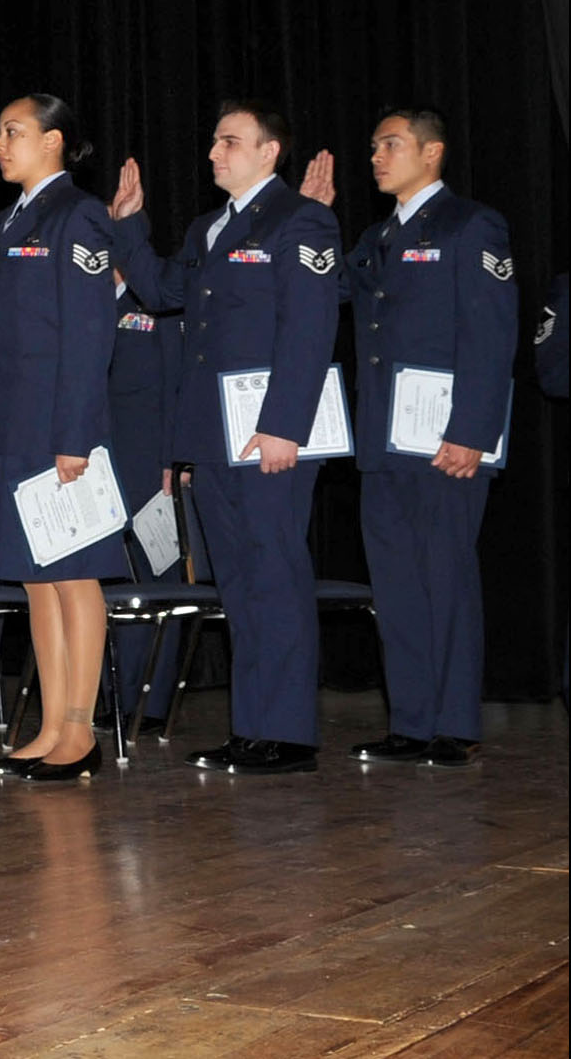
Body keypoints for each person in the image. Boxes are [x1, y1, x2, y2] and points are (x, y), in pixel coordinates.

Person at [110, 101, 341, 775]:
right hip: (215, 436)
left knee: (277, 576)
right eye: (213, 142)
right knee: (238, 585)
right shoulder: (210, 228)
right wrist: (128, 226)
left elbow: (309, 329)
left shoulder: (301, 219)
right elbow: (159, 293)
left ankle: (289, 733)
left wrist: (283, 425)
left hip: (271, 433)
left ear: (270, 152)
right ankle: (253, 729)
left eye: (231, 142)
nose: (215, 153)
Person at [300, 110, 517, 768]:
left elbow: (491, 335)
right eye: (373, 146)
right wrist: (313, 219)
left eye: (390, 144)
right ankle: (412, 723)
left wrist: (472, 432)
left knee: (444, 577)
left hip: (447, 438)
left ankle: (453, 725)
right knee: (396, 584)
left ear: (433, 153)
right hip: (383, 439)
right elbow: (325, 289)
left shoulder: (469, 225)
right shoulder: (375, 237)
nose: (376, 156)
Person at [0, 96, 118, 782]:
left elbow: (89, 335)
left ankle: (80, 732)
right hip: (9, 425)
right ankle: (47, 729)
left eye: (14, 132)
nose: (1, 144)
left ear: (55, 141)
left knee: (74, 578)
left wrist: (76, 436)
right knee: (37, 582)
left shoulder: (77, 215)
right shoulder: (12, 217)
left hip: (54, 428)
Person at [104, 271, 187, 728]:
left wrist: (174, 458)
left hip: (148, 465)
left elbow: (178, 382)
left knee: (156, 583)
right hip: (94, 463)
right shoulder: (87, 303)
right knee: (102, 585)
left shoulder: (157, 305)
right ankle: (112, 697)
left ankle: (150, 704)